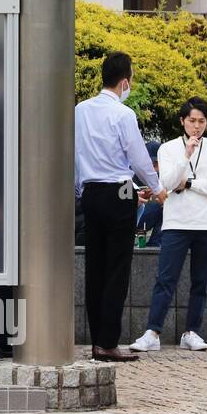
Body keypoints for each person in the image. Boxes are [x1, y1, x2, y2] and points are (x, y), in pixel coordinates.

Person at [75, 52, 165, 361]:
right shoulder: (123, 114)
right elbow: (139, 157)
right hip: (120, 192)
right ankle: (107, 341)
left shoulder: (80, 110)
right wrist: (157, 188)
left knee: (95, 266)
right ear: (124, 81)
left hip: (90, 193)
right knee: (116, 268)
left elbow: (75, 152)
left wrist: (79, 187)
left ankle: (96, 340)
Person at [129, 97, 207, 353]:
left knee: (200, 282)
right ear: (182, 121)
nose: (196, 126)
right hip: (176, 223)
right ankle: (152, 332)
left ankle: (192, 332)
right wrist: (186, 157)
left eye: (201, 121)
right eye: (192, 120)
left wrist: (191, 184)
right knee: (165, 279)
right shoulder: (168, 149)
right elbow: (168, 182)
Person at [135, 140, 164, 248]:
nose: (153, 166)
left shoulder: (164, 175)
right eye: (151, 163)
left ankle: (155, 243)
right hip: (130, 215)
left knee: (166, 205)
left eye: (156, 163)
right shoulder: (133, 172)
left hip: (148, 216)